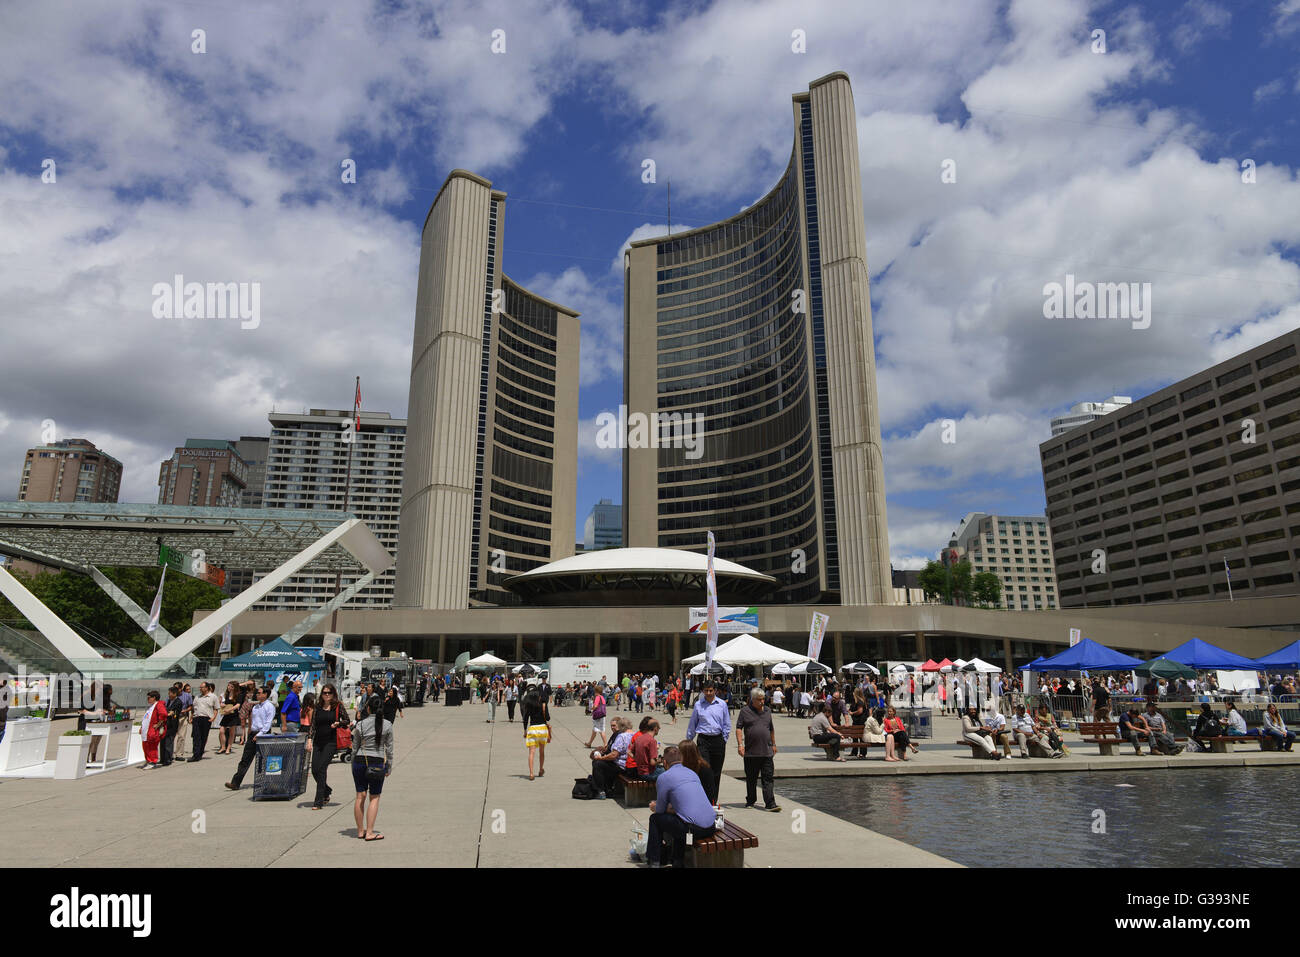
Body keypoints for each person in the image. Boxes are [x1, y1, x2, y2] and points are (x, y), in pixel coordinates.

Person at [645, 744, 717, 868]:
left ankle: (654, 861)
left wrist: (654, 806)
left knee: (655, 820)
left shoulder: (664, 777)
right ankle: (677, 861)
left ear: (665, 762)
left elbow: (660, 810)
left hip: (693, 829)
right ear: (682, 760)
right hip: (711, 826)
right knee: (679, 820)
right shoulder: (692, 773)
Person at [351, 695, 393, 841]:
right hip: (377, 761)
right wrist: (389, 766)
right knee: (374, 797)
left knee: (359, 796)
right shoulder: (387, 725)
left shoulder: (360, 724)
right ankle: (370, 832)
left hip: (360, 760)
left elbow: (355, 746)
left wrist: (352, 763)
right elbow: (389, 749)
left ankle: (360, 830)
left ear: (368, 708)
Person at [685, 681, 731, 803]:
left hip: (718, 740)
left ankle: (713, 801)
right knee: (705, 770)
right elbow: (693, 724)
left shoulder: (722, 704)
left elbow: (727, 723)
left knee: (716, 772)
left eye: (711, 690)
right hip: (703, 740)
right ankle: (704, 799)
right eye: (706, 691)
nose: (709, 693)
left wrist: (724, 739)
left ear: (715, 690)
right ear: (703, 691)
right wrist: (688, 740)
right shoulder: (698, 705)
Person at [735, 688, 780, 811]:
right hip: (751, 752)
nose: (762, 702)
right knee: (751, 779)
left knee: (768, 778)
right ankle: (750, 800)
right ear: (753, 700)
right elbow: (739, 728)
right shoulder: (745, 711)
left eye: (763, 699)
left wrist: (774, 744)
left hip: (766, 751)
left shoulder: (767, 711)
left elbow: (771, 729)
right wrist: (740, 744)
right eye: (759, 700)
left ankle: (770, 803)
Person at [307, 684, 349, 809]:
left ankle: (318, 801)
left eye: (329, 693)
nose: (326, 695)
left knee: (321, 769)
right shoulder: (318, 707)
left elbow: (347, 720)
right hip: (318, 742)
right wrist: (309, 740)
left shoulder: (337, 706)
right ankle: (326, 790)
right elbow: (313, 725)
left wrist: (338, 723)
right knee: (314, 769)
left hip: (331, 742)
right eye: (324, 693)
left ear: (333, 694)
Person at [226, 686, 276, 790]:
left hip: (263, 734)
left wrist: (259, 735)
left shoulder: (269, 706)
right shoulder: (256, 707)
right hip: (253, 733)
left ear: (265, 694)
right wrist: (251, 733)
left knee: (264, 760)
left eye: (259, 693)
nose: (257, 694)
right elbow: (253, 721)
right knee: (245, 759)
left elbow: (267, 723)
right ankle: (235, 782)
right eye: (257, 693)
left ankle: (266, 783)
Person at [590, 717, 631, 797]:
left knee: (597, 764)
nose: (612, 728)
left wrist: (601, 758)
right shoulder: (616, 735)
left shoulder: (620, 736)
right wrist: (600, 751)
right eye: (611, 726)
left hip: (622, 765)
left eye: (614, 726)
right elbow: (609, 750)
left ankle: (600, 790)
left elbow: (614, 755)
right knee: (600, 762)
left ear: (620, 725)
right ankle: (606, 788)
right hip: (619, 763)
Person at [521, 688, 551, 780]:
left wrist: (525, 730)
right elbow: (548, 718)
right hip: (542, 729)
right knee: (541, 751)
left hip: (533, 729)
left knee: (531, 753)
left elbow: (525, 719)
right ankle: (541, 769)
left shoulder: (528, 706)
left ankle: (531, 773)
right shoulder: (543, 705)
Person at [187, 682, 220, 762]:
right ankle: (195, 755)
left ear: (207, 688)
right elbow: (194, 708)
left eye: (202, 687)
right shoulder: (197, 697)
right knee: (196, 736)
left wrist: (213, 718)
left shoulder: (213, 697)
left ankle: (200, 753)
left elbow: (216, 708)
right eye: (200, 687)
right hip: (197, 718)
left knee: (203, 737)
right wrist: (191, 717)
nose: (200, 689)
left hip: (206, 719)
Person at [140, 691, 167, 769]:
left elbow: (164, 714)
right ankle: (148, 760)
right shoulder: (152, 706)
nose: (147, 699)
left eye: (149, 698)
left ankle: (152, 762)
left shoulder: (159, 705)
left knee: (152, 746)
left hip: (152, 731)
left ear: (154, 698)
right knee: (146, 746)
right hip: (146, 731)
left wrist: (158, 725)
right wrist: (142, 727)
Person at [159, 686, 182, 766]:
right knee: (163, 742)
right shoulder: (168, 701)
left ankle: (168, 759)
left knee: (169, 742)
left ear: (174, 693)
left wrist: (168, 713)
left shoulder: (178, 702)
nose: (168, 695)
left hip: (172, 725)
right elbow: (166, 711)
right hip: (165, 724)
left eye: (170, 693)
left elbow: (173, 713)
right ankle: (162, 759)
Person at [217, 681, 241, 754]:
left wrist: (230, 709)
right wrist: (222, 704)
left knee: (231, 732)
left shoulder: (238, 695)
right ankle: (223, 746)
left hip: (233, 715)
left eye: (231, 686)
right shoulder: (226, 694)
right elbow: (222, 702)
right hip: (226, 714)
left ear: (234, 688)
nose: (229, 688)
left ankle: (228, 748)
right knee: (221, 731)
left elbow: (238, 705)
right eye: (228, 686)